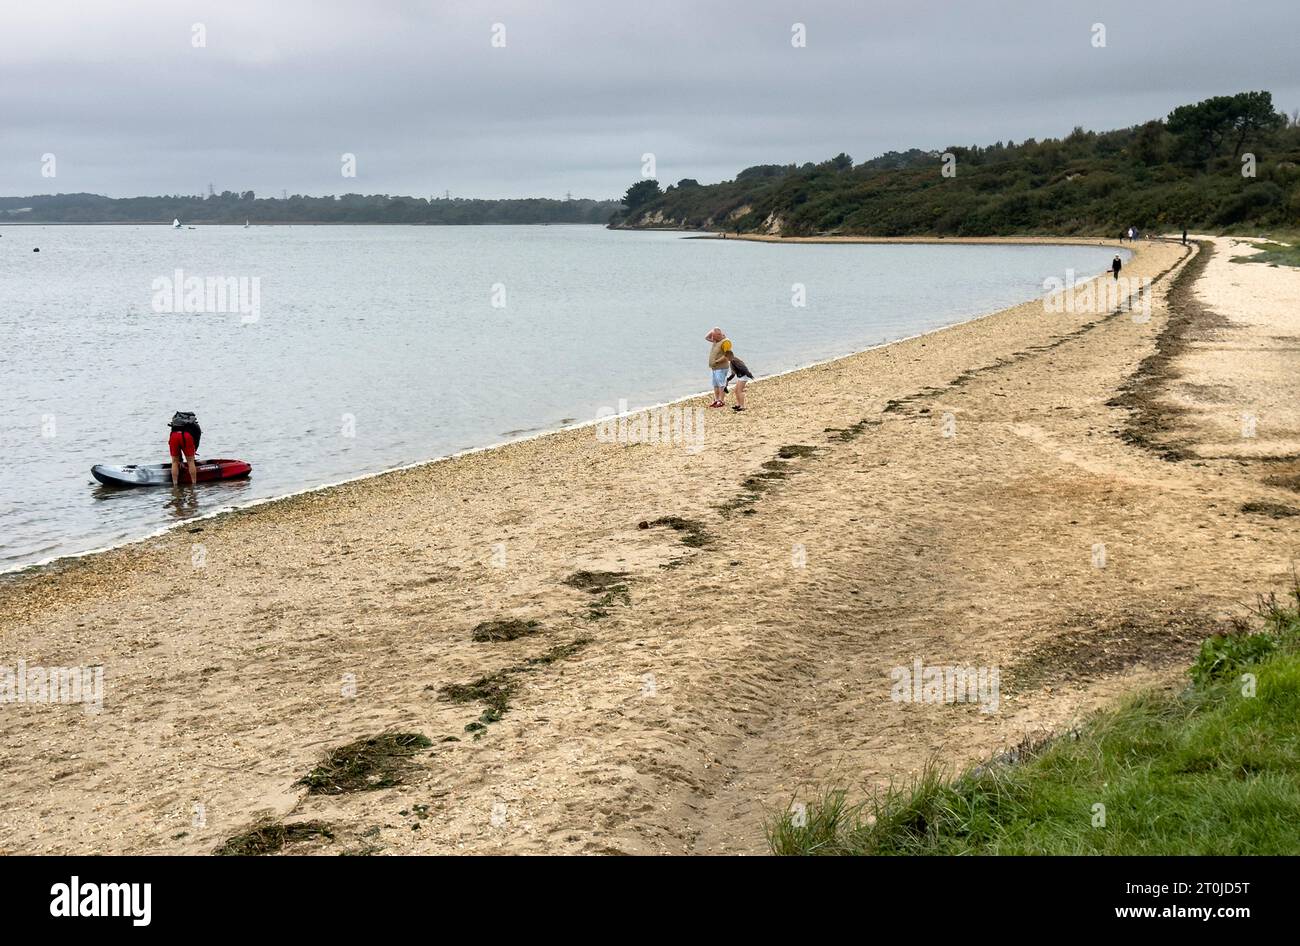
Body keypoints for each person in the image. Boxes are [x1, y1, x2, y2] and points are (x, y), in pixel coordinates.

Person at [168, 411, 201, 487]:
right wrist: (194, 450)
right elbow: (197, 439)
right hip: (186, 436)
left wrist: (180, 460)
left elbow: (171, 437)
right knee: (190, 461)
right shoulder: (195, 425)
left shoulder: (175, 422)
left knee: (174, 461)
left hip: (174, 436)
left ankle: (175, 484)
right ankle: (194, 484)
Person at [705, 328, 732, 407]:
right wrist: (713, 330)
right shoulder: (715, 341)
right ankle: (716, 400)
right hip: (714, 368)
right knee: (715, 385)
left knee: (721, 384)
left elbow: (727, 355)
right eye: (712, 336)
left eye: (713, 336)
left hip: (721, 368)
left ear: (718, 335)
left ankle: (721, 401)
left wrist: (717, 361)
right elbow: (706, 337)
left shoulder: (725, 342)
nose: (712, 337)